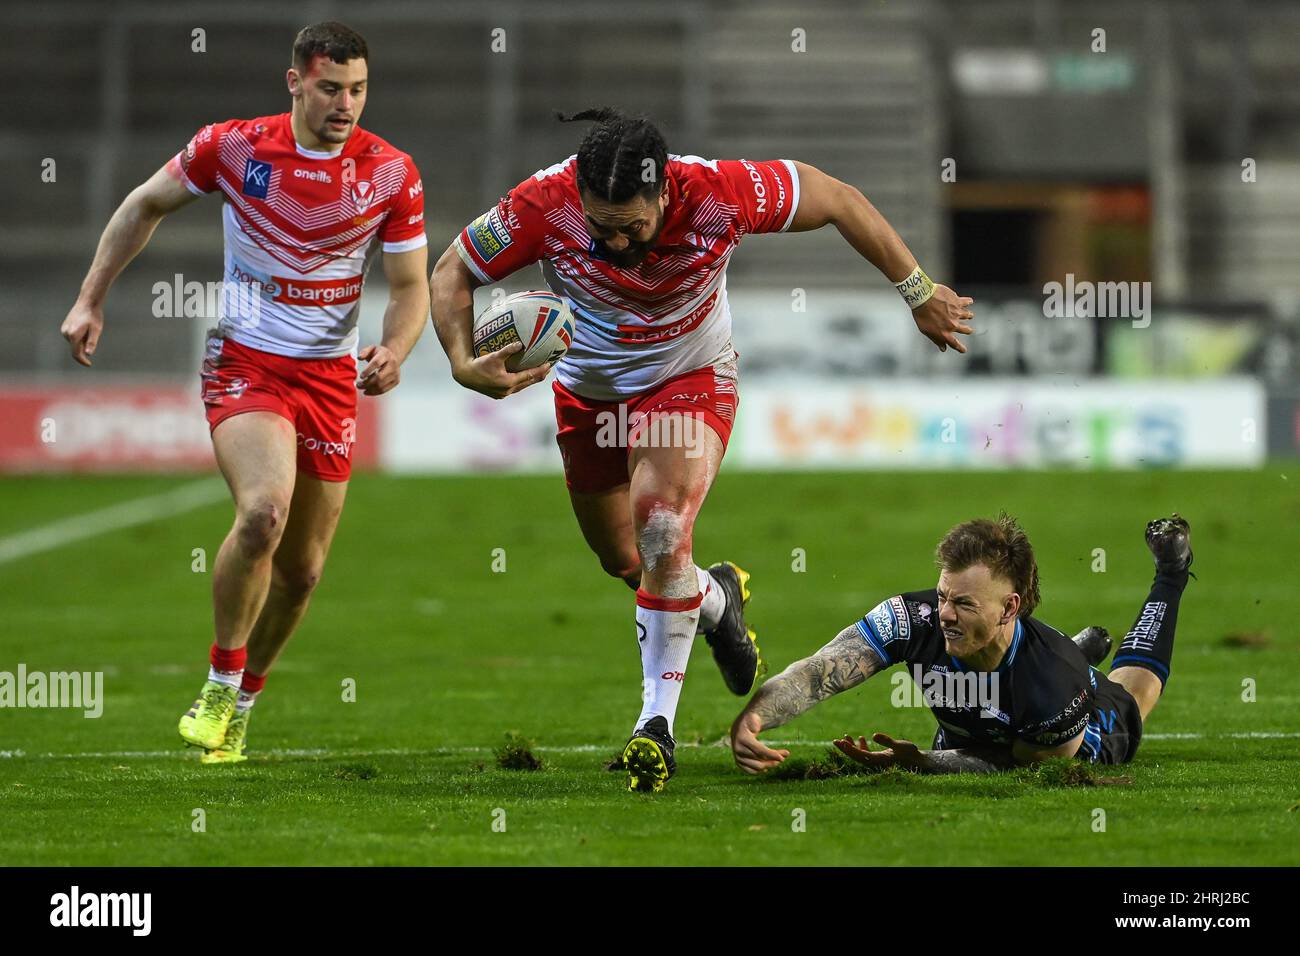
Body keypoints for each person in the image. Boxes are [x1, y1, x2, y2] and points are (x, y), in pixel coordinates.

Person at [430, 107, 975, 791]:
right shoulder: (544, 203)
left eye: (632, 225)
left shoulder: (720, 193)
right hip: (589, 395)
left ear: (663, 194)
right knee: (624, 559)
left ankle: (653, 726)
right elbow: (452, 269)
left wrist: (918, 291)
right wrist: (459, 357)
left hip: (688, 377)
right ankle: (716, 599)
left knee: (662, 527)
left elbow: (837, 198)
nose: (617, 242)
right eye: (602, 228)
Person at [59, 22, 430, 764]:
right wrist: (90, 298)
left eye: (357, 89)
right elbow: (143, 205)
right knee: (262, 514)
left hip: (328, 380)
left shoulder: (391, 173)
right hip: (247, 362)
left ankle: (244, 701)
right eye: (330, 87)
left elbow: (411, 286)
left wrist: (394, 349)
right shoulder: (233, 146)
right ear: (294, 82)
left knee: (303, 573)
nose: (345, 104)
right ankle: (218, 685)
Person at [730, 513, 1192, 775]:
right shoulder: (916, 619)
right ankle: (1076, 652)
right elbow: (819, 673)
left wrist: (923, 763)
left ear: (1009, 607)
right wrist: (755, 715)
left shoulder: (1053, 685)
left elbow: (1023, 769)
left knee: (1133, 694)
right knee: (1019, 690)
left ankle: (1170, 576)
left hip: (1071, 734)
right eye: (943, 595)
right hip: (999, 705)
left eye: (964, 604)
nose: (945, 613)